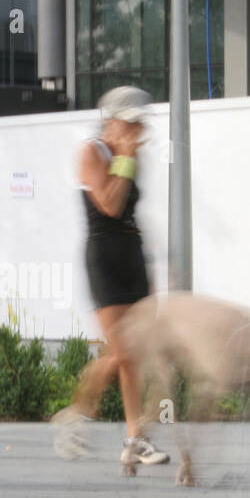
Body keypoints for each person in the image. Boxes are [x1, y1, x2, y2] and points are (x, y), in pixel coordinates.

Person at [52, 86, 169, 469]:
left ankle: (135, 440)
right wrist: (124, 155)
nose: (137, 130)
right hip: (103, 259)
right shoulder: (92, 152)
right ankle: (76, 413)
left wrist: (150, 269)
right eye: (130, 122)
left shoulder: (129, 155)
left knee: (132, 356)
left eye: (140, 123)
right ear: (111, 119)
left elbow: (133, 214)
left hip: (132, 257)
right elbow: (111, 204)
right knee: (123, 350)